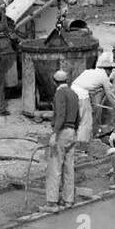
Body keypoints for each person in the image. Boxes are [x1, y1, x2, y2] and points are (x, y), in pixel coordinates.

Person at [45, 69, 80, 207]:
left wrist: (54, 133)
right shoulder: (74, 94)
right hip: (72, 132)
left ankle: (52, 201)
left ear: (55, 82)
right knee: (69, 168)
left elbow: (60, 115)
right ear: (67, 80)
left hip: (62, 132)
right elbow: (78, 116)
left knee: (55, 167)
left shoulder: (60, 93)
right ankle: (68, 200)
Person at [72, 60, 115, 143]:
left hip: (72, 91)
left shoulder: (88, 71)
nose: (110, 73)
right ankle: (82, 143)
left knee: (77, 118)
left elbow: (86, 85)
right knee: (86, 121)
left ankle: (75, 138)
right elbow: (110, 95)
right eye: (110, 71)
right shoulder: (104, 77)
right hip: (82, 95)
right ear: (107, 69)